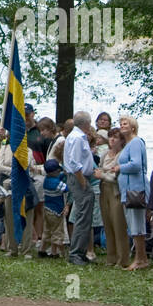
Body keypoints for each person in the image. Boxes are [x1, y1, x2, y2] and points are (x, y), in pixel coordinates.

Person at [114, 114, 149, 270]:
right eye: (121, 123)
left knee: (137, 224)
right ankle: (140, 258)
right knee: (133, 224)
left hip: (135, 190)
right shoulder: (127, 144)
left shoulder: (135, 143)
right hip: (127, 190)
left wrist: (120, 168)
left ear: (133, 127)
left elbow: (136, 165)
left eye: (125, 123)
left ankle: (140, 259)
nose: (122, 126)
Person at [63, 110, 95, 265]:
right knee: (83, 216)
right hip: (78, 178)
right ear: (86, 124)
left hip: (79, 177)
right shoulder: (77, 138)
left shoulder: (75, 136)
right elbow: (75, 162)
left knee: (85, 215)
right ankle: (76, 253)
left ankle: (80, 252)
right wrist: (82, 181)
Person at [96, 127, 129, 267]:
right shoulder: (105, 154)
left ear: (122, 140)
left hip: (116, 191)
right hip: (104, 190)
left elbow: (116, 177)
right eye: (110, 137)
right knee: (107, 224)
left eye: (115, 137)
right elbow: (100, 168)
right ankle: (111, 257)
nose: (112, 140)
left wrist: (103, 174)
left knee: (118, 225)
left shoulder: (122, 155)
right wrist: (103, 173)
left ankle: (122, 259)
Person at [38, 158, 69, 258]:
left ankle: (42, 250)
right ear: (54, 172)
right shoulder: (56, 183)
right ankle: (56, 252)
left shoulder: (47, 180)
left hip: (47, 209)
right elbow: (66, 188)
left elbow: (58, 176)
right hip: (56, 211)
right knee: (57, 231)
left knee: (47, 231)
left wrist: (63, 174)